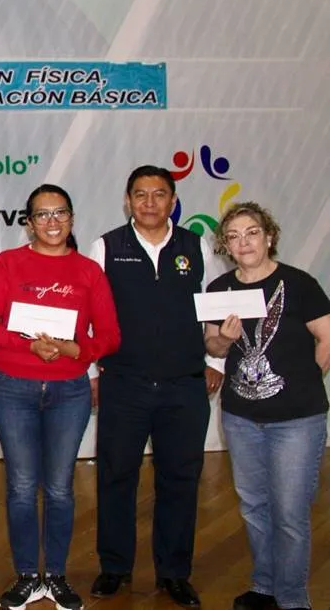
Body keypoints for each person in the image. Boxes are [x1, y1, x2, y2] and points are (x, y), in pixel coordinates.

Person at [0, 184, 120, 610]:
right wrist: (27, 345)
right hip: (13, 387)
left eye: (60, 213)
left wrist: (80, 349)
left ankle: (55, 576)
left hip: (69, 390)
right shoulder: (8, 264)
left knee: (58, 488)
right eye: (42, 214)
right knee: (20, 487)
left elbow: (110, 335)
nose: (52, 222)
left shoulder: (89, 271)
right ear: (28, 223)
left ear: (72, 219)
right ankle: (25, 576)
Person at [87, 166, 223, 607]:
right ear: (128, 201)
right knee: (115, 476)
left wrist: (215, 359)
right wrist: (92, 372)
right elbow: (88, 314)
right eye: (140, 195)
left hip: (184, 387)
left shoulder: (195, 245)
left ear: (172, 199)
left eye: (159, 194)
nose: (149, 202)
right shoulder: (105, 246)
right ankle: (114, 567)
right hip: (123, 383)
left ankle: (174, 571)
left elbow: (215, 307)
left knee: (181, 479)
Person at [203, 202, 329, 610]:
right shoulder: (218, 291)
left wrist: (308, 380)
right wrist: (224, 337)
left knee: (290, 513)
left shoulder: (299, 284)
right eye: (234, 236)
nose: (244, 242)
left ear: (269, 236)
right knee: (255, 506)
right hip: (241, 419)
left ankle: (292, 599)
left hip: (297, 421)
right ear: (226, 245)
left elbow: (327, 337)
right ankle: (265, 587)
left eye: (252, 232)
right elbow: (213, 346)